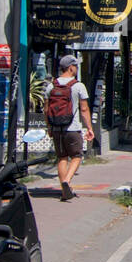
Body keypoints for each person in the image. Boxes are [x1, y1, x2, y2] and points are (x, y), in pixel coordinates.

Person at [45, 55, 94, 202]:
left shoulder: (51, 86)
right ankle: (67, 181)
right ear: (71, 68)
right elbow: (84, 109)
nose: (77, 68)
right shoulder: (78, 86)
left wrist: (49, 127)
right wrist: (89, 128)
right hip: (72, 128)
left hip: (56, 128)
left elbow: (46, 109)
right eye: (76, 66)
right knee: (77, 156)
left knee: (62, 158)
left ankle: (64, 190)